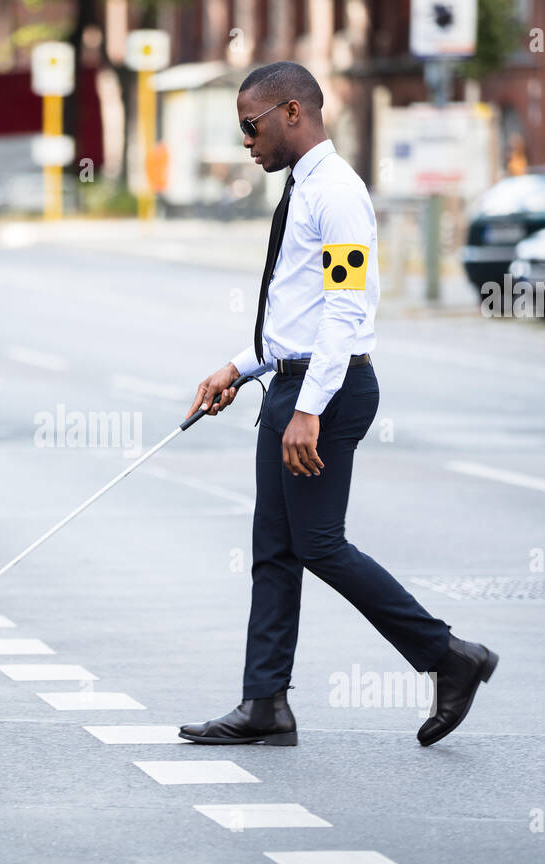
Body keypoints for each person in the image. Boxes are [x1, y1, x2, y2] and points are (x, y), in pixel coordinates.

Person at [180, 62, 498, 748]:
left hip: (328, 389)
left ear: (292, 112)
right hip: (293, 383)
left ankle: (450, 658)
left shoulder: (339, 195)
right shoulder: (303, 189)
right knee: (274, 547)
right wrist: (238, 367)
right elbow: (299, 315)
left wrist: (309, 408)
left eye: (250, 124)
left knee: (318, 545)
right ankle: (264, 703)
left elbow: (346, 311)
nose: (246, 140)